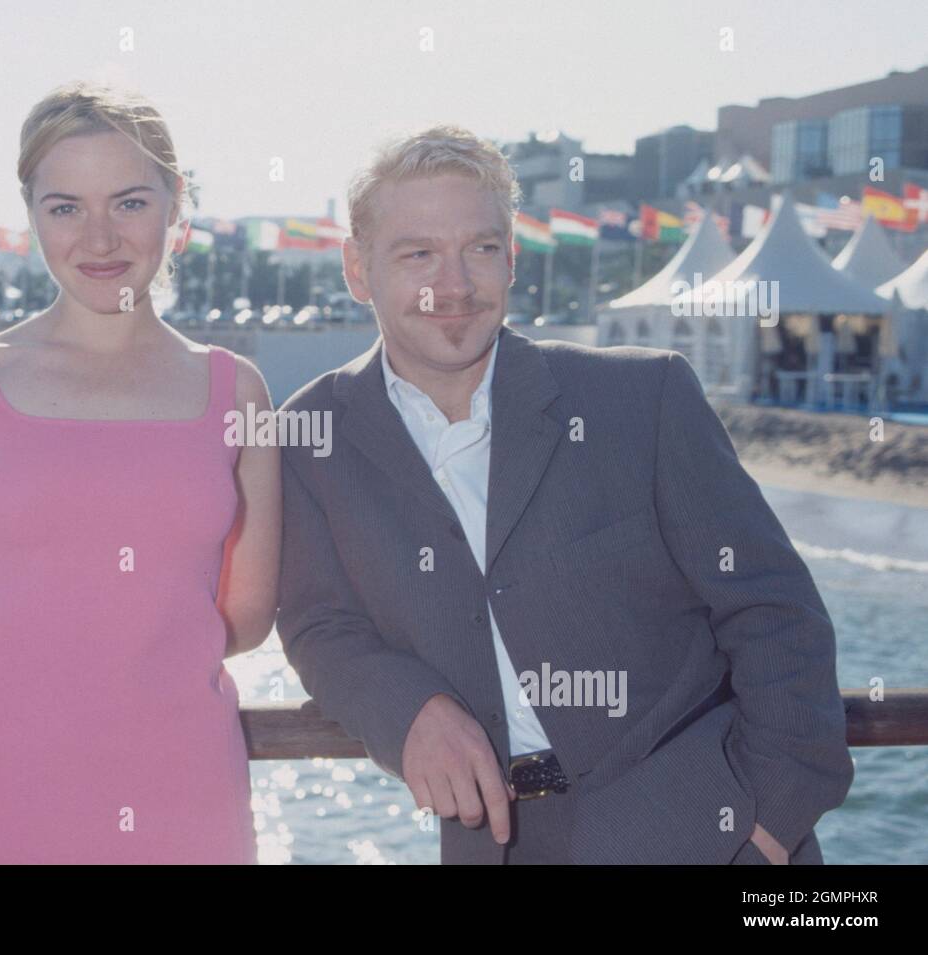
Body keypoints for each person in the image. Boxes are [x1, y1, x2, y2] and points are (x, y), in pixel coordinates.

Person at [274, 126, 853, 864]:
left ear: (512, 259)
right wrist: (408, 708)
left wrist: (768, 828)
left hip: (708, 831)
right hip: (495, 844)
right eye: (417, 253)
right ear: (358, 268)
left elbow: (778, 615)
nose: (452, 286)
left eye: (480, 248)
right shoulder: (308, 435)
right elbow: (322, 626)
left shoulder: (642, 398)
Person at [0, 82, 279, 863]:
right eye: (65, 206)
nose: (99, 236)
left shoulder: (238, 391)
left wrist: (51, 655)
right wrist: (12, 658)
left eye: (131, 202)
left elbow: (246, 615)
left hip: (183, 786)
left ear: (178, 208)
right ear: (32, 212)